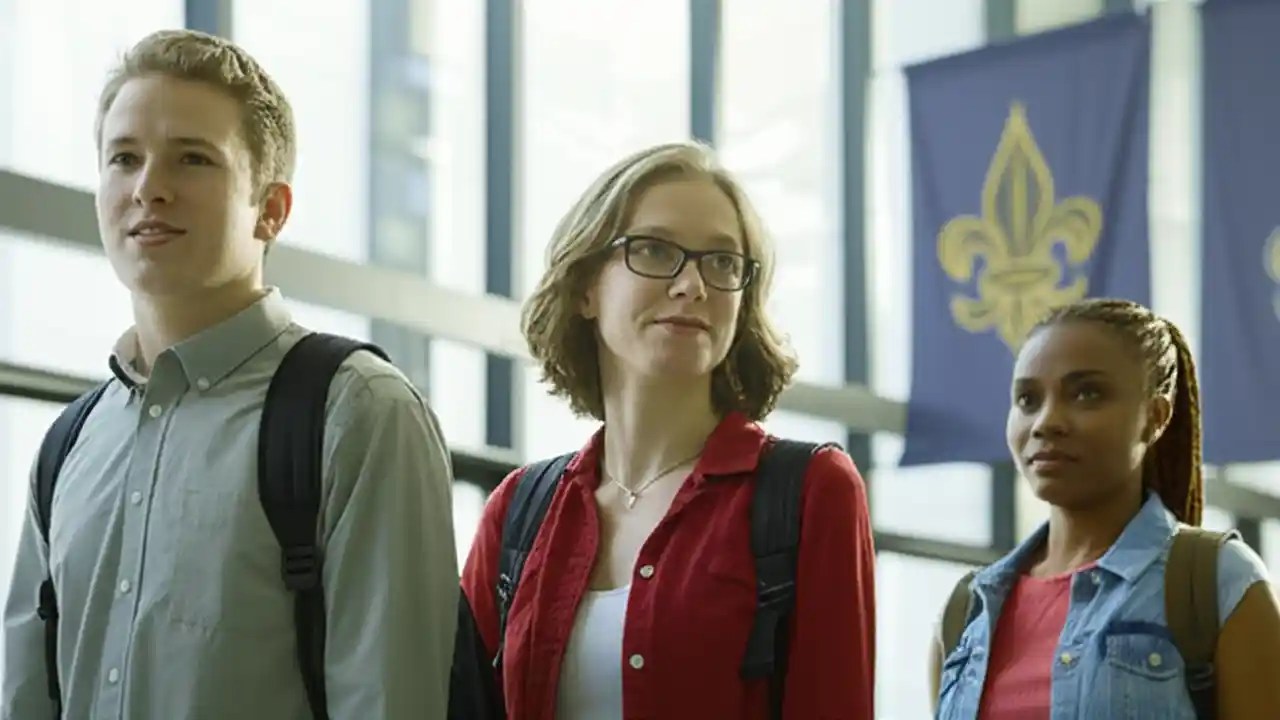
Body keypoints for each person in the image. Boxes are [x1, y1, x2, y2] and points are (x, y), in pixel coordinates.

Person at [1, 29, 458, 719]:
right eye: (123, 158)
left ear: (270, 209)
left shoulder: (359, 412)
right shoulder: (69, 443)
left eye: (192, 159)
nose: (148, 188)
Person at [457, 141, 877, 719]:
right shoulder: (518, 510)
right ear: (585, 287)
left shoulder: (811, 492)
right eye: (655, 250)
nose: (693, 285)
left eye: (722, 262)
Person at [929, 298, 1280, 719]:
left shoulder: (1219, 582)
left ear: (1155, 416)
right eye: (1027, 399)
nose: (1046, 422)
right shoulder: (967, 612)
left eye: (1087, 393)